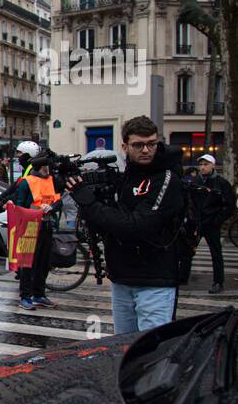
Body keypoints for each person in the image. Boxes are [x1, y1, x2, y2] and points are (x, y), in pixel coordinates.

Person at [67, 116, 187, 334]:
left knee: (151, 350)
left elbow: (136, 227)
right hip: (121, 279)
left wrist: (89, 202)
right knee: (124, 346)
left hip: (155, 280)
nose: (146, 150)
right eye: (138, 145)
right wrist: (89, 200)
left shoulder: (166, 178)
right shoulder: (125, 177)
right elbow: (108, 224)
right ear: (124, 147)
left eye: (152, 144)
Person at [0, 145, 61, 311]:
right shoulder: (26, 182)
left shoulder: (51, 181)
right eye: (45, 167)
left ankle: (39, 294)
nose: (48, 170)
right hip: (30, 228)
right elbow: (19, 204)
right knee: (27, 263)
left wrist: (52, 208)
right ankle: (25, 296)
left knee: (43, 263)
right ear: (38, 167)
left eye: (48, 167)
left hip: (47, 226)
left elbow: (59, 201)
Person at [186, 154, 235, 293]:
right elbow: (189, 201)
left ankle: (218, 282)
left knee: (216, 253)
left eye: (205, 164)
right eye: (201, 164)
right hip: (197, 222)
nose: (202, 167)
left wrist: (217, 220)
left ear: (213, 165)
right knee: (187, 251)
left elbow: (229, 206)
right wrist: (191, 218)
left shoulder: (222, 183)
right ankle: (183, 277)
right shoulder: (195, 181)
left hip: (212, 222)